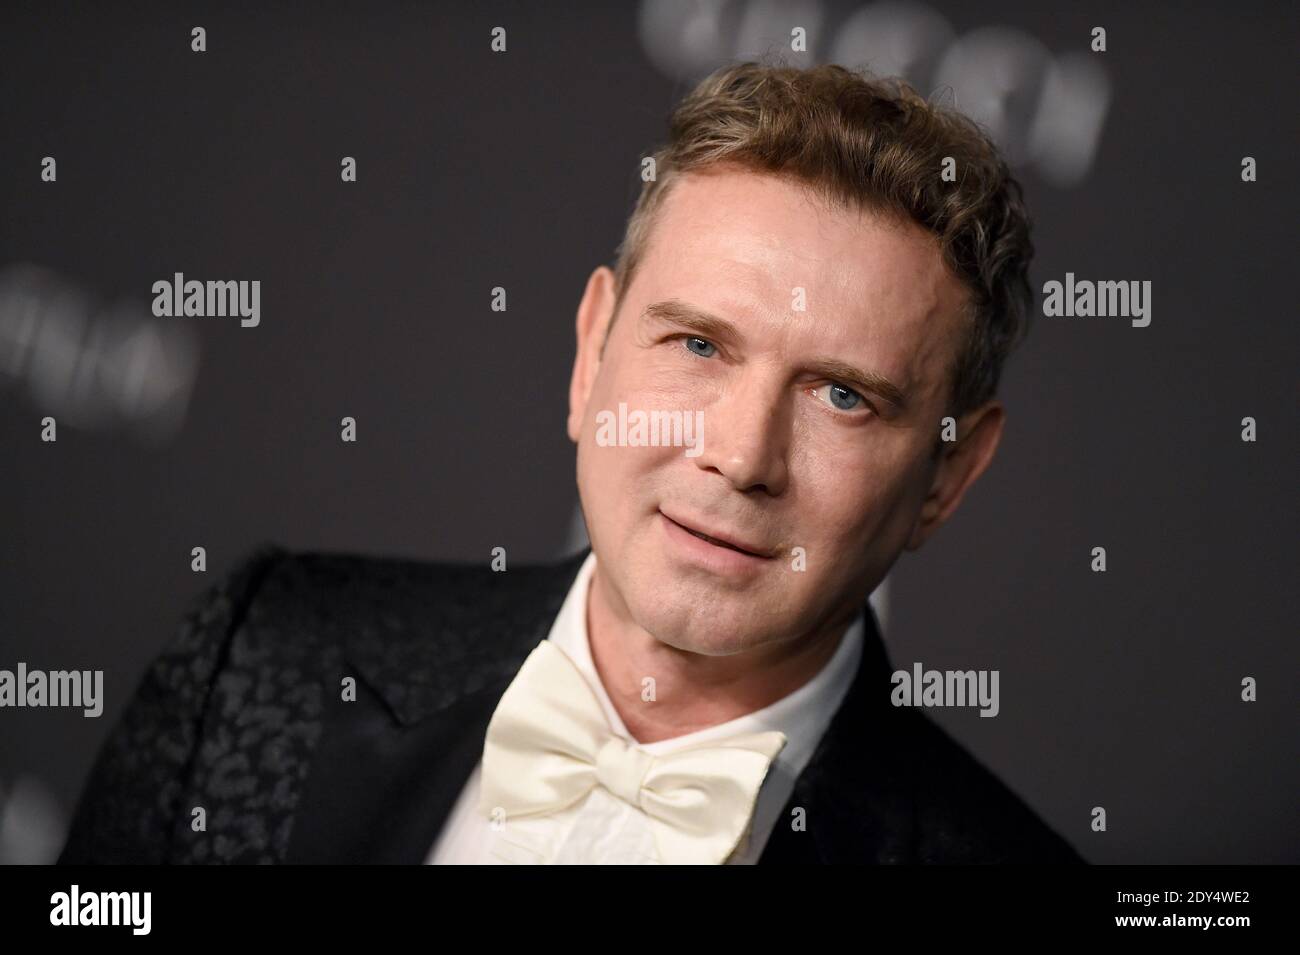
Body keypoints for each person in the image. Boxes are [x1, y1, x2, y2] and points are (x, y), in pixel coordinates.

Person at [59, 61, 1082, 865]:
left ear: (948, 473)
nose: (738, 456)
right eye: (697, 346)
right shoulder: (267, 653)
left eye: (842, 395)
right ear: (592, 351)